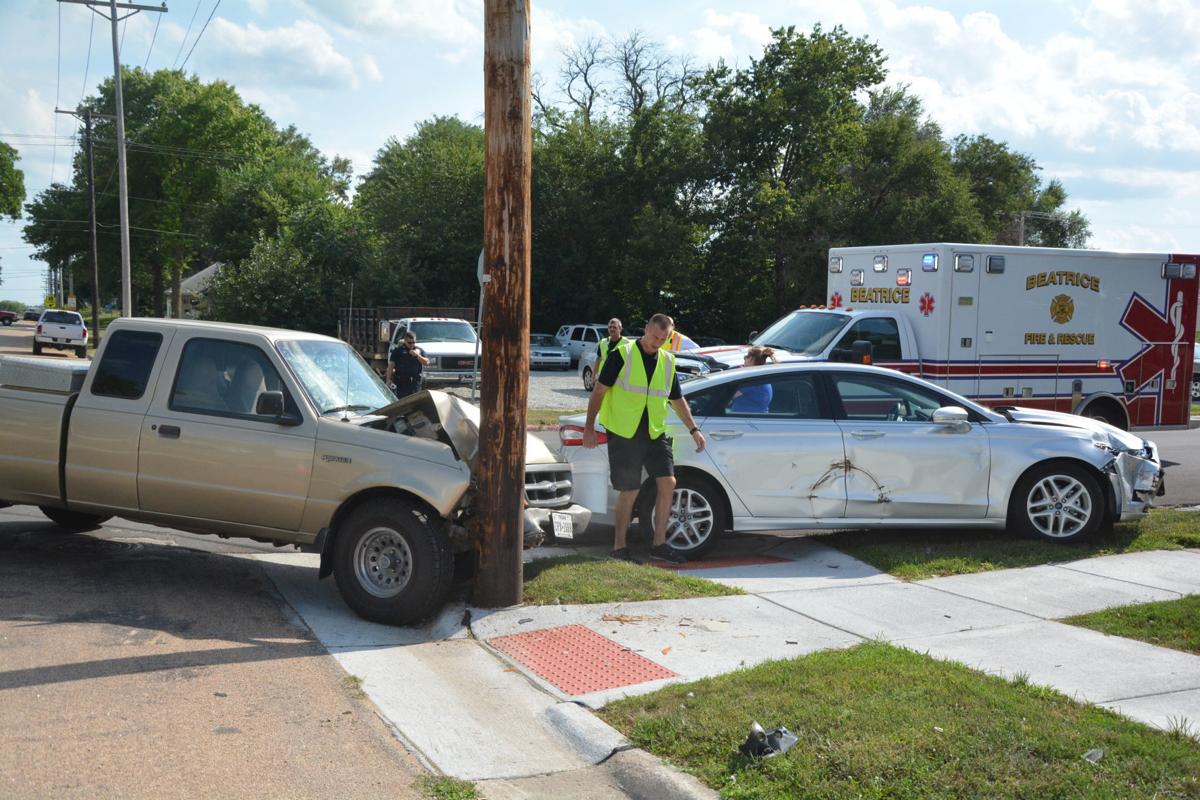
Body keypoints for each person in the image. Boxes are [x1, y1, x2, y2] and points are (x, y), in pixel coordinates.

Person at [583, 313, 707, 564]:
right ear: (646, 329)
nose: (657, 343)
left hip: (653, 430)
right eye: (654, 336)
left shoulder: (668, 361)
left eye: (663, 339)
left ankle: (659, 545)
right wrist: (588, 427)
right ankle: (619, 548)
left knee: (668, 482)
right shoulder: (623, 354)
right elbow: (599, 391)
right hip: (624, 431)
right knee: (629, 490)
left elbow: (677, 399)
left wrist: (694, 429)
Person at [728, 346, 778, 414]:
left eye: (746, 356)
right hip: (749, 418)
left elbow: (729, 396)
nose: (744, 358)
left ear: (751, 359)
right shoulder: (759, 377)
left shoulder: (752, 380)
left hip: (745, 419)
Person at [386, 332, 430, 399]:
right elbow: (391, 366)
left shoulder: (419, 350)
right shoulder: (398, 351)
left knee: (415, 402)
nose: (412, 344)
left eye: (414, 342)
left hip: (415, 383)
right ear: (405, 341)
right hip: (401, 383)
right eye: (409, 343)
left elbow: (427, 362)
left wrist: (417, 355)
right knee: (400, 402)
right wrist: (388, 380)